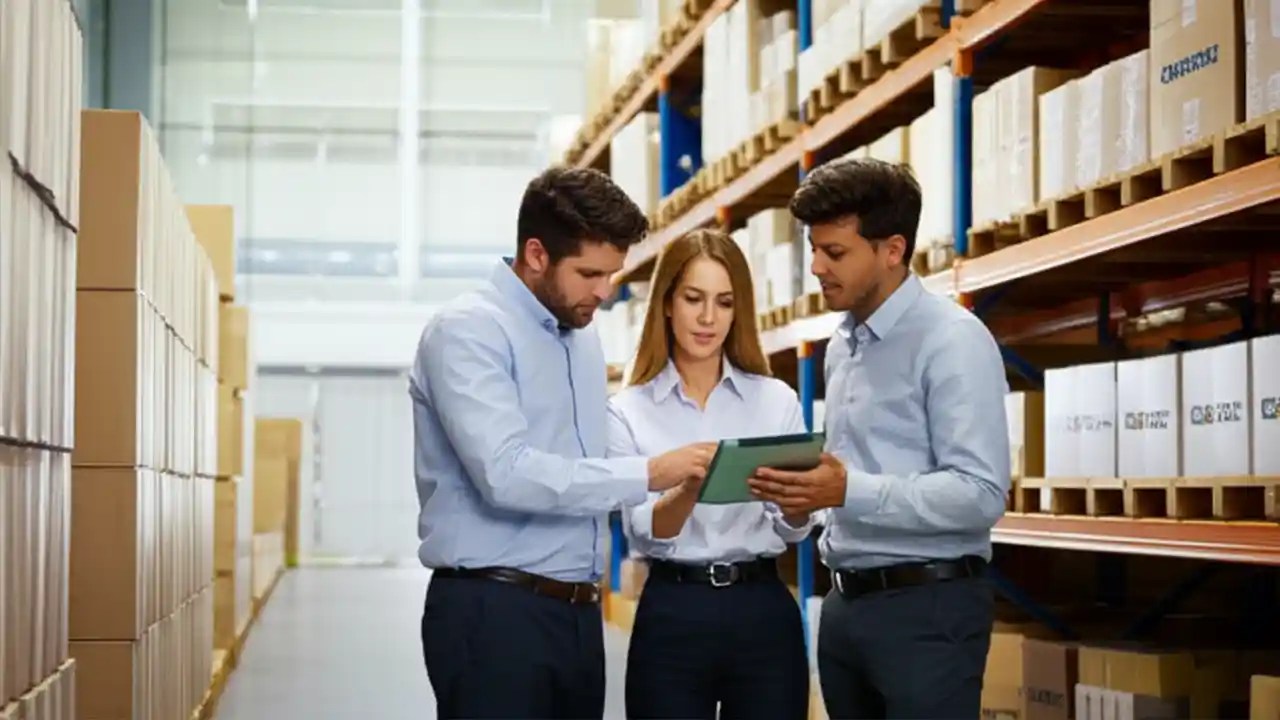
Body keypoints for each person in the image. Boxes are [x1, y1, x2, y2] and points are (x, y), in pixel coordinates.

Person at [408, 166, 716, 720]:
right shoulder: (468, 332)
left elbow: (588, 459)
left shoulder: (580, 336)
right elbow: (506, 473)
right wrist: (649, 472)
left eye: (612, 274)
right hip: (494, 614)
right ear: (536, 254)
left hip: (575, 614)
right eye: (590, 273)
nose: (604, 291)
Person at [749, 158, 1011, 719]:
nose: (817, 267)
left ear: (893, 250)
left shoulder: (952, 340)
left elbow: (981, 493)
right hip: (845, 606)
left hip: (927, 612)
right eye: (813, 249)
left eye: (835, 252)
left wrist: (848, 490)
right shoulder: (842, 346)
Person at [607, 229, 813, 720]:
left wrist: (800, 499)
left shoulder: (776, 400)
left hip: (761, 609)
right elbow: (644, 530)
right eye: (693, 299)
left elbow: (794, 530)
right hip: (674, 611)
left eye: (724, 302)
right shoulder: (627, 411)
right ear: (666, 304)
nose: (707, 318)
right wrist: (689, 488)